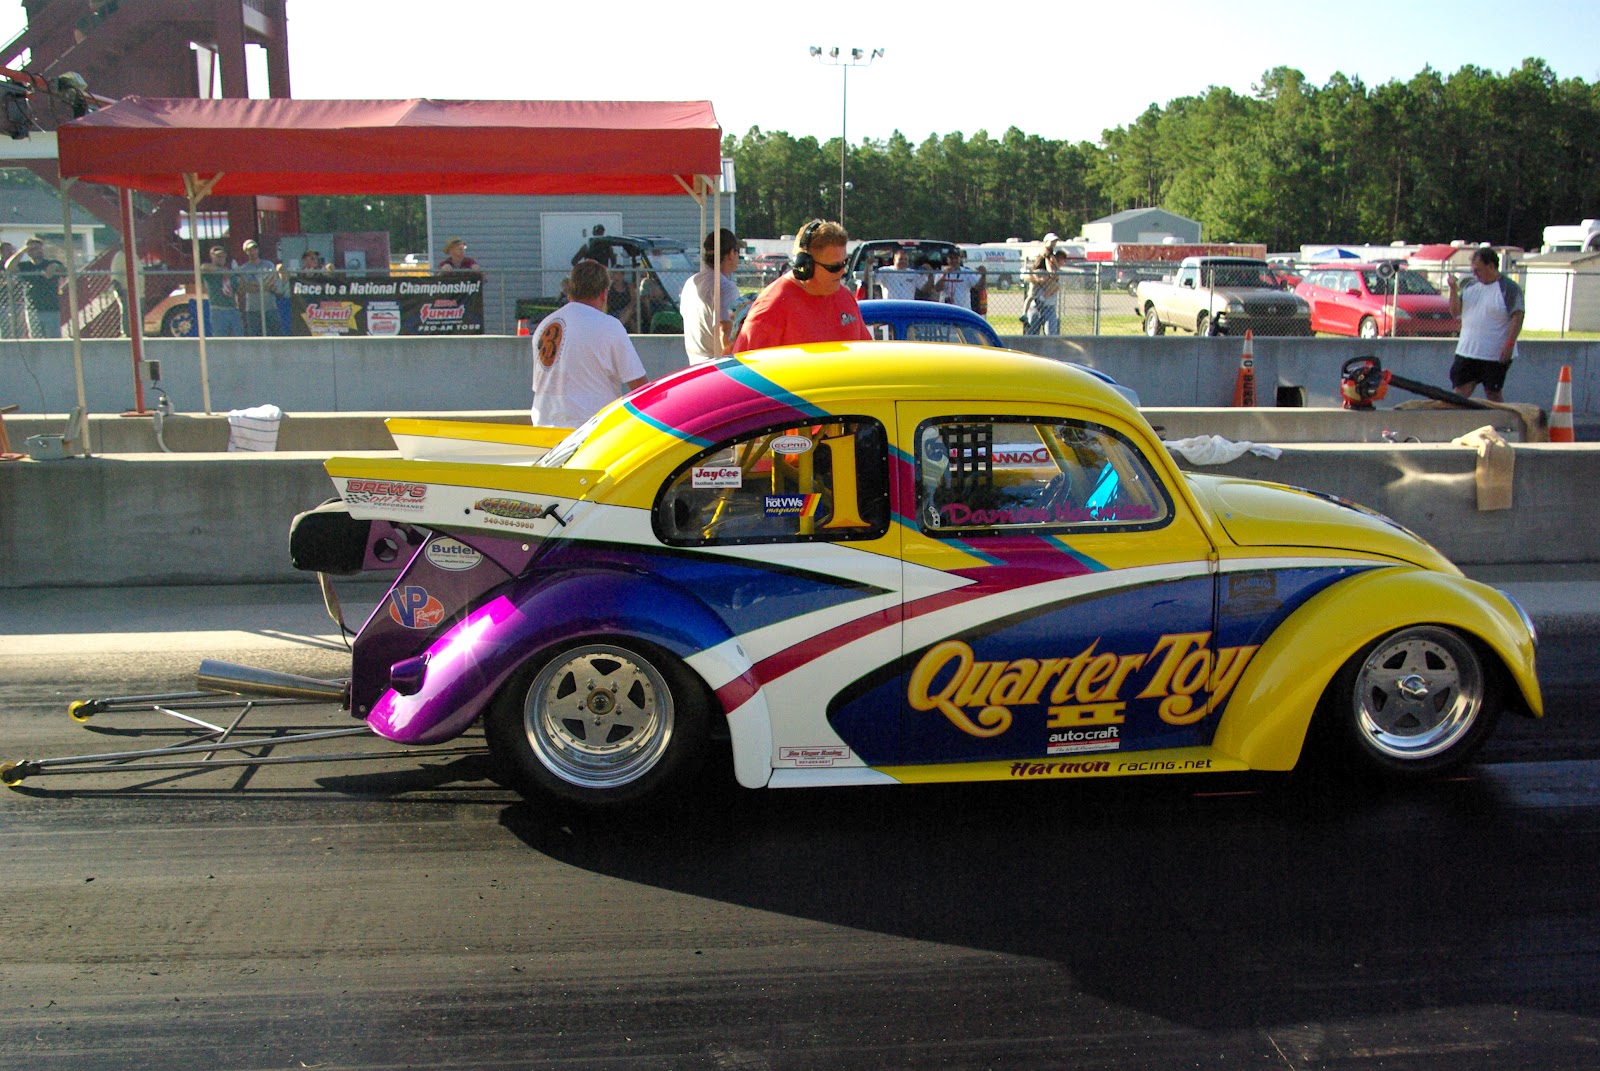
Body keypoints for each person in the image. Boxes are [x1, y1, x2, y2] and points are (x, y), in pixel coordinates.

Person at [530, 259, 649, 427]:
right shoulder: (609, 326)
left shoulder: (545, 326)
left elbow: (542, 386)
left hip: (544, 427)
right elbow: (639, 386)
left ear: (570, 292)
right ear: (603, 293)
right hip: (588, 431)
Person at [733, 219, 871, 353]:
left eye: (844, 263)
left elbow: (867, 353)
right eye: (834, 267)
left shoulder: (844, 297)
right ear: (805, 266)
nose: (842, 271)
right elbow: (745, 369)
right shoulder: (772, 305)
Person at [1447, 247, 1524, 403]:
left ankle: (1501, 423)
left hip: (1494, 353)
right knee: (1460, 393)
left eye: (1478, 270)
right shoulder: (1469, 286)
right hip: (1468, 350)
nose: (1475, 274)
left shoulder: (1508, 288)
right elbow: (1455, 312)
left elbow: (1518, 315)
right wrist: (1453, 290)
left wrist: (1509, 344)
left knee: (1492, 393)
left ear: (1491, 266)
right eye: (1473, 271)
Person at [680, 228, 741, 364]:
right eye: (738, 252)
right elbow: (725, 332)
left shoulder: (691, 283)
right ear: (731, 254)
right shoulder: (726, 287)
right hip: (718, 369)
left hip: (694, 367)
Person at [6, 236, 66, 338]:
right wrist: (23, 250)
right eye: (34, 249)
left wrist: (55, 267)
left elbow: (64, 270)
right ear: (29, 252)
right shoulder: (25, 266)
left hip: (51, 309)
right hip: (32, 310)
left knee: (54, 340)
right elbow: (9, 267)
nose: (39, 251)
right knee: (36, 340)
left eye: (40, 248)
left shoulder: (51, 263)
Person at [233, 239, 281, 336]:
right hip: (252, 308)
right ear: (246, 252)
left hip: (270, 306)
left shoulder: (268, 264)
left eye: (254, 249)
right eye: (249, 250)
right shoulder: (244, 268)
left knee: (277, 333)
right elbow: (247, 287)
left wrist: (257, 285)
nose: (253, 252)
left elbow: (272, 281)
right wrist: (262, 285)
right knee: (254, 335)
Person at [199, 244, 243, 336]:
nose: (221, 258)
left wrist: (239, 274)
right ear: (212, 257)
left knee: (238, 339)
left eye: (223, 256)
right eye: (218, 256)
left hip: (233, 310)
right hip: (218, 310)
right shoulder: (210, 272)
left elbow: (239, 288)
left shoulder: (230, 273)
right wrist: (222, 271)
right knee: (221, 341)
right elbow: (203, 267)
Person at [1023, 245, 1066, 336]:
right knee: (1031, 335)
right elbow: (1026, 277)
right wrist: (1038, 280)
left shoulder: (1056, 272)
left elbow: (1056, 281)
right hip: (1035, 306)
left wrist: (1046, 281)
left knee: (1051, 334)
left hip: (1049, 307)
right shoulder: (1038, 271)